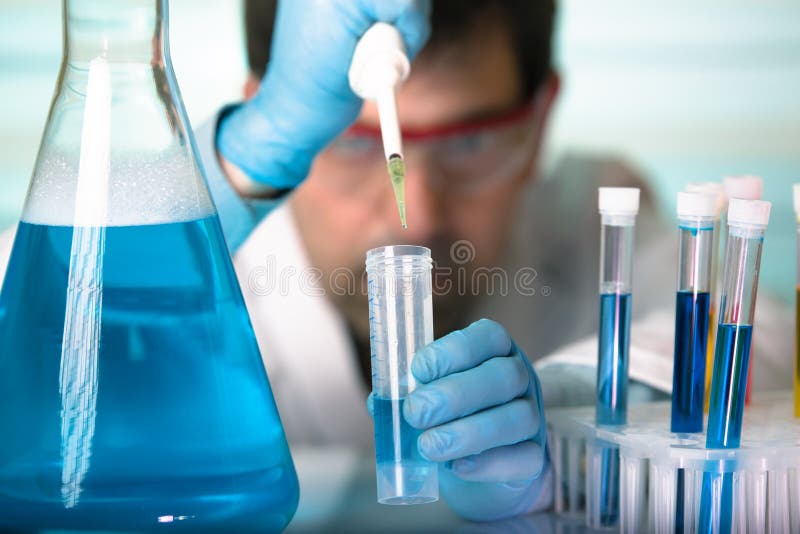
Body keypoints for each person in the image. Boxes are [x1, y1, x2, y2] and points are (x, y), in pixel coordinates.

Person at [0, 0, 792, 523]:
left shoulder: (593, 211)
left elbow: (765, 339)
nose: (412, 209)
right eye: (352, 144)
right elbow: (36, 331)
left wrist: (566, 408)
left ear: (541, 114)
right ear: (283, 108)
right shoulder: (207, 254)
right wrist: (244, 158)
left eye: (471, 139)